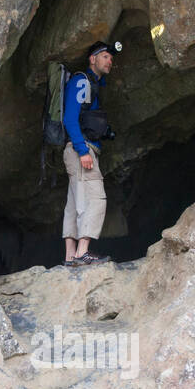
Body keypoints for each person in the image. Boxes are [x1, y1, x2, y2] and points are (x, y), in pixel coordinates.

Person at [61, 41, 117, 267]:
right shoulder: (82, 81)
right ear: (92, 59)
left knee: (75, 202)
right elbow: (70, 119)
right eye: (105, 56)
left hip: (76, 149)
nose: (109, 61)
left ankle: (70, 256)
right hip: (80, 149)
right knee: (95, 199)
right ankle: (82, 253)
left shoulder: (92, 85)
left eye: (111, 58)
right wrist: (83, 150)